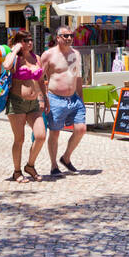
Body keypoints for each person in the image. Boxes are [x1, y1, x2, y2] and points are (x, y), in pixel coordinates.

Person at [2, 30, 48, 181]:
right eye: (25, 40)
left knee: (40, 136)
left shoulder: (37, 58)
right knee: (19, 139)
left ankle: (30, 165)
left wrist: (45, 98)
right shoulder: (14, 58)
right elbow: (6, 65)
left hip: (33, 104)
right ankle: (17, 171)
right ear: (18, 42)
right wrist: (15, 49)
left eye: (30, 40)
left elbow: (41, 81)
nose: (29, 43)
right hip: (17, 103)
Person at [40, 26, 86, 176]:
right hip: (55, 99)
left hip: (73, 98)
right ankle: (54, 166)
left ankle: (66, 158)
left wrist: (81, 97)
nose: (69, 38)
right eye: (65, 36)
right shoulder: (48, 55)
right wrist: (43, 98)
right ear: (58, 38)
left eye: (70, 35)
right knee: (55, 132)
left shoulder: (75, 55)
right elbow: (39, 78)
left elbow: (76, 77)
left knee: (81, 129)